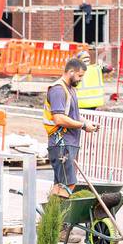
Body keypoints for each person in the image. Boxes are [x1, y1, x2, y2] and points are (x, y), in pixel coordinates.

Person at [43, 58, 98, 198]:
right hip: (61, 143)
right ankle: (59, 217)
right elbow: (59, 118)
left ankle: (51, 217)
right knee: (68, 183)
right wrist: (83, 125)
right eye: (80, 76)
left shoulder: (70, 90)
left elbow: (72, 115)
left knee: (60, 184)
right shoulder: (58, 90)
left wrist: (87, 123)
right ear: (71, 71)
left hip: (67, 143)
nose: (81, 79)